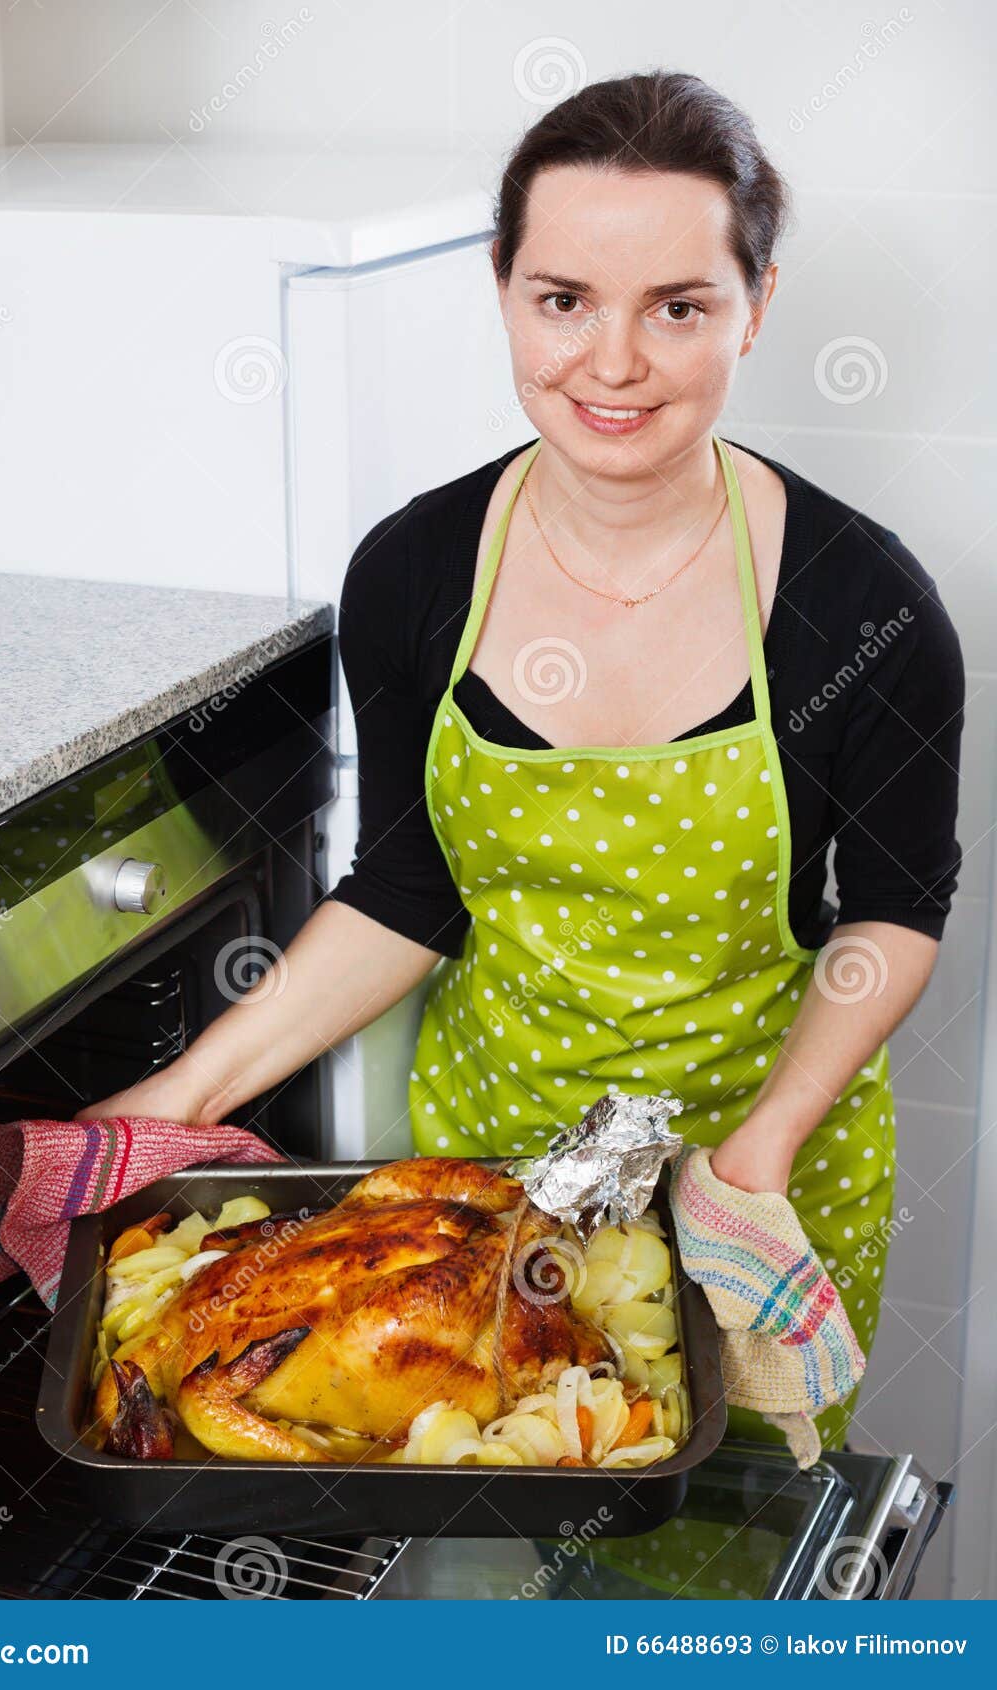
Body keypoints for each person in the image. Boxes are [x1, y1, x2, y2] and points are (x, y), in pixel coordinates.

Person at [79, 70, 964, 1456]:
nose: (614, 364)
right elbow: (409, 887)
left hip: (760, 1169)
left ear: (757, 306)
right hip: (480, 1191)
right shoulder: (418, 570)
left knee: (721, 1578)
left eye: (679, 307)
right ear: (503, 289)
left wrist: (766, 1142)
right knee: (487, 1549)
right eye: (565, 300)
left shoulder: (865, 605)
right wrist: (185, 1093)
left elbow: (898, 908)